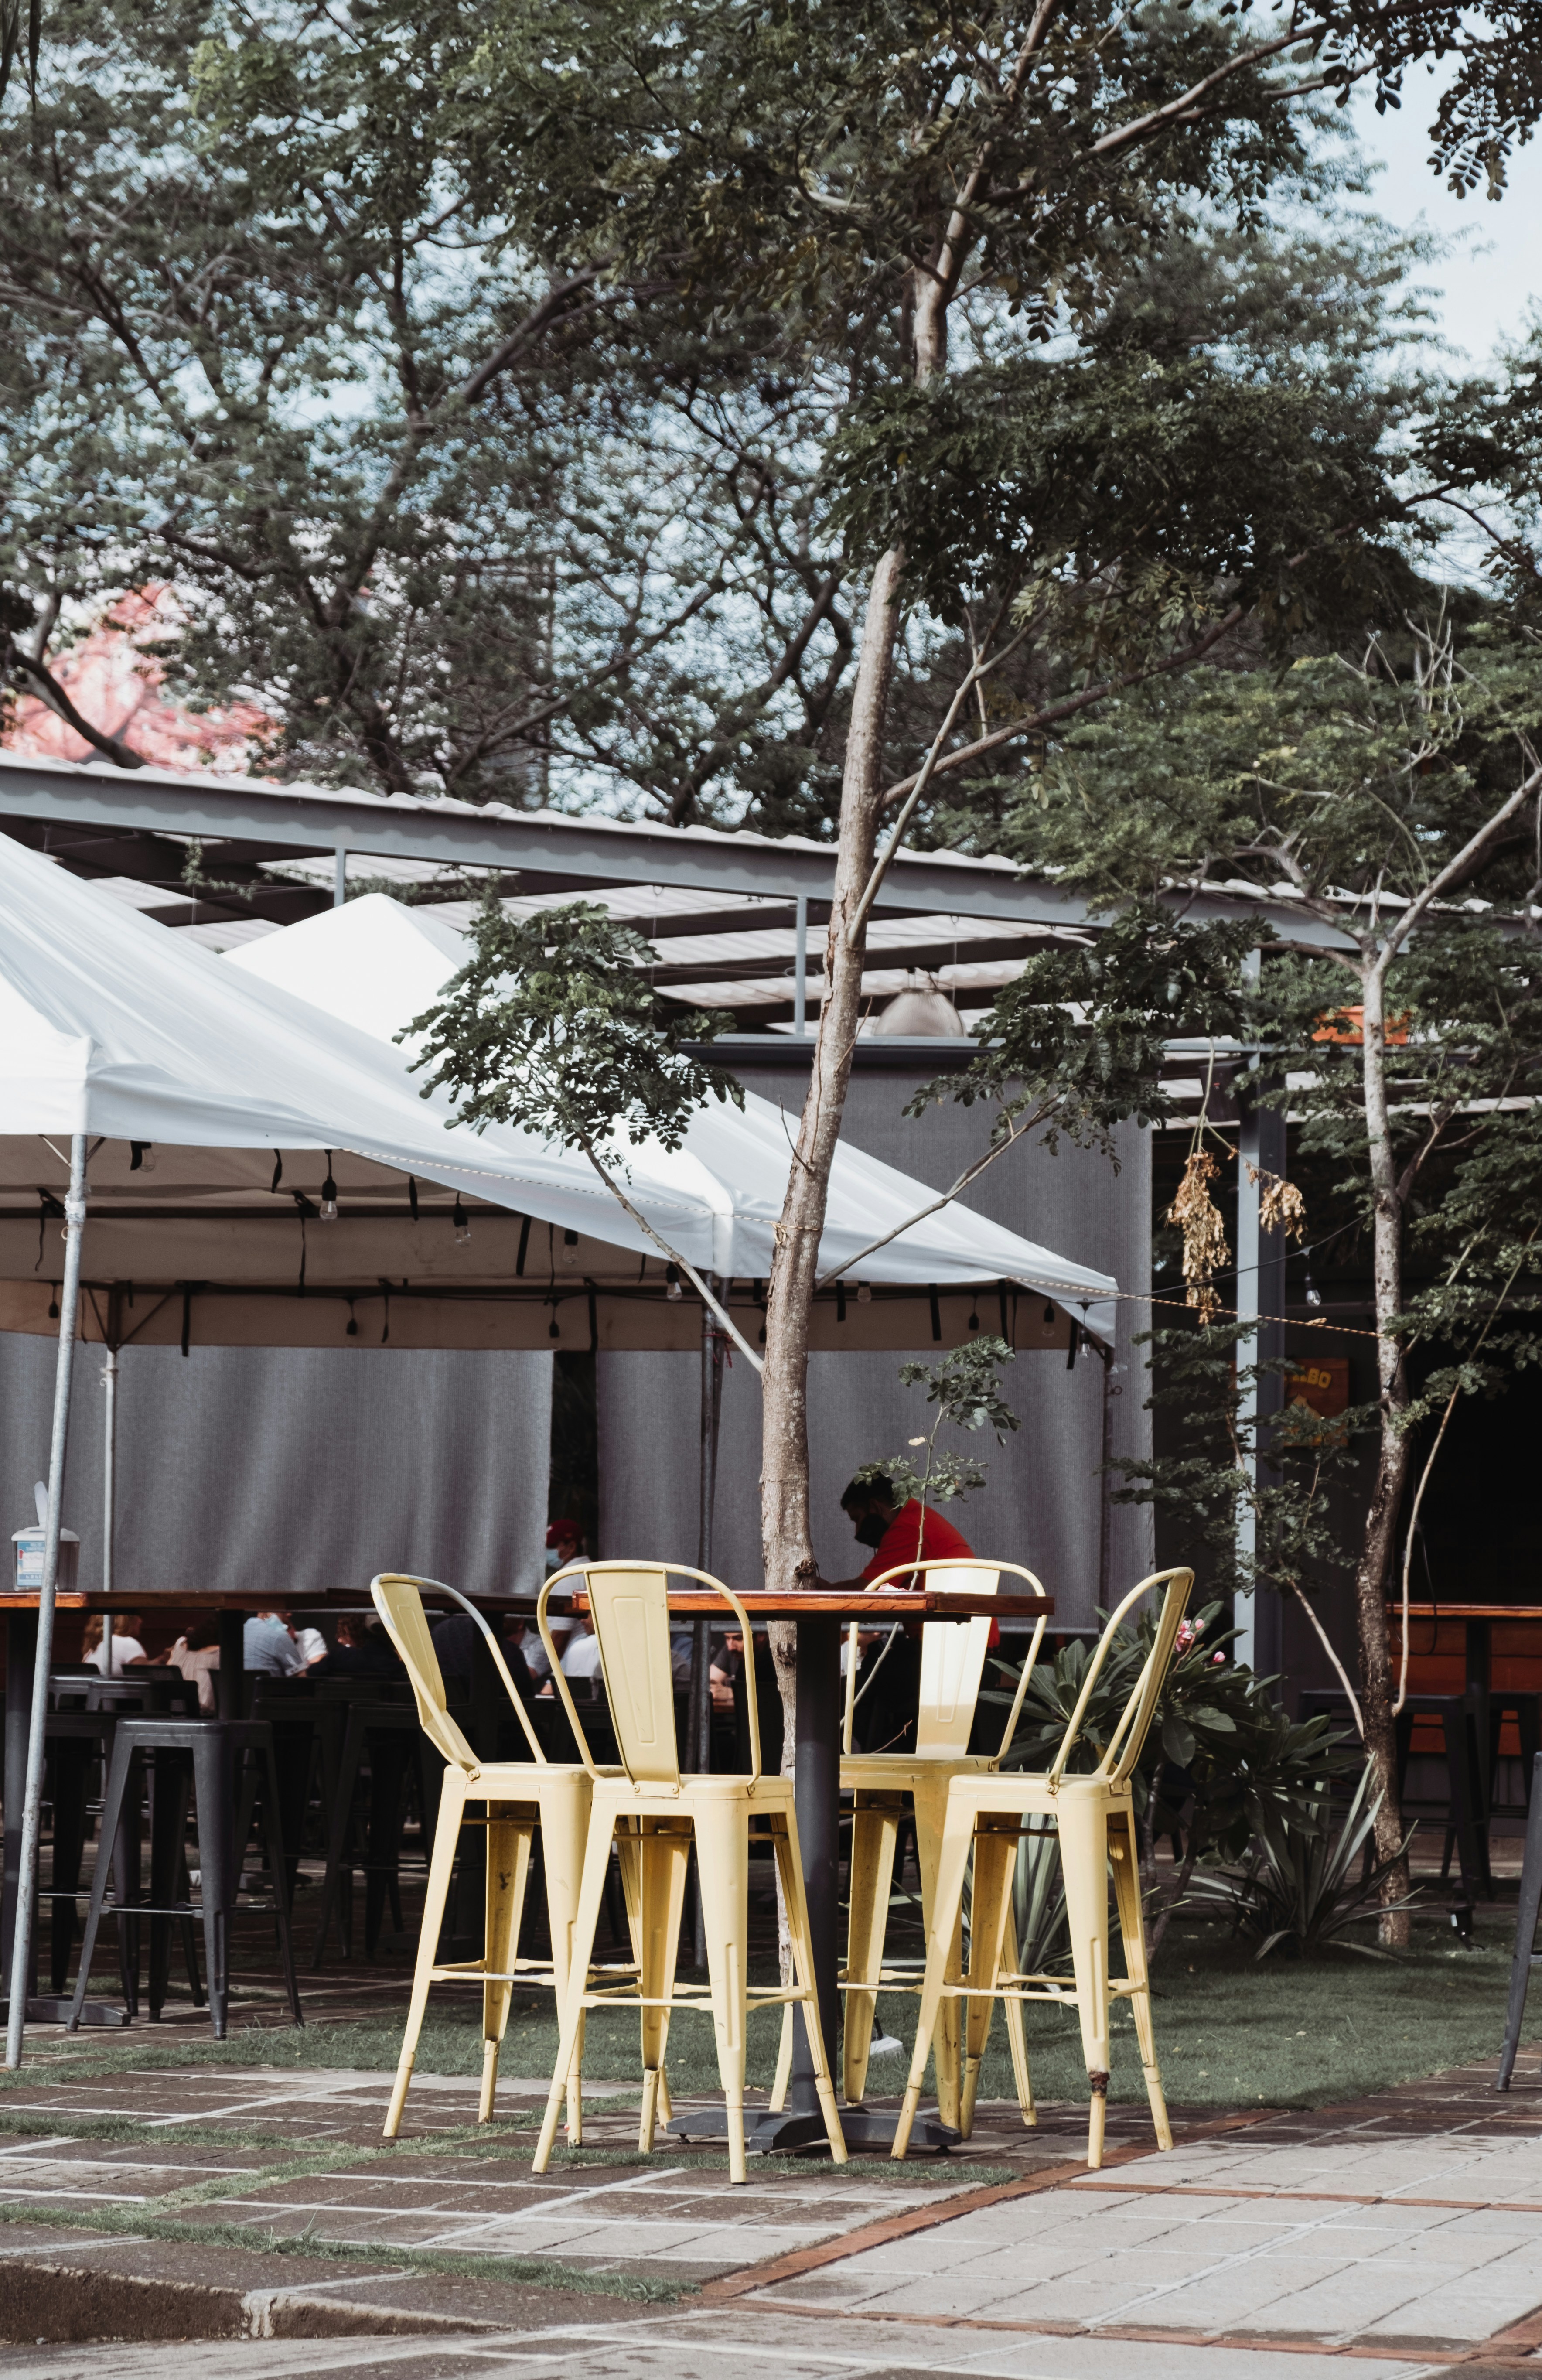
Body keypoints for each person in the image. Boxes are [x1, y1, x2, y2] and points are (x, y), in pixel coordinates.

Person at [826, 1471, 976, 1590]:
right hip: (961, 1626)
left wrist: (825, 1589)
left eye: (857, 1519)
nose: (857, 1531)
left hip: (949, 1628)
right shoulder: (916, 1517)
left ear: (875, 1507)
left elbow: (868, 1590)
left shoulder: (908, 1528)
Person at [242, 1604, 307, 1677]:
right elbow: (301, 1677)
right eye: (284, 1610)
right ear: (265, 1611)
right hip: (265, 1687)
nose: (289, 1614)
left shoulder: (234, 1634)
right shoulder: (280, 1636)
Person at [82, 1613, 147, 1675]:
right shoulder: (128, 1643)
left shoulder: (94, 1648)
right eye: (137, 1616)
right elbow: (143, 1681)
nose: (140, 1621)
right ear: (127, 1620)